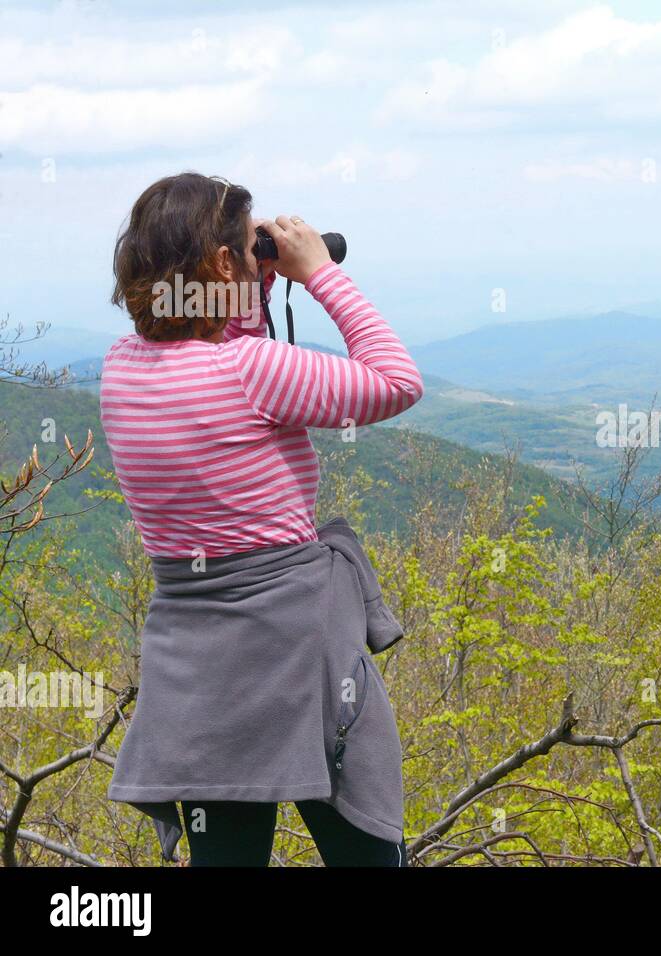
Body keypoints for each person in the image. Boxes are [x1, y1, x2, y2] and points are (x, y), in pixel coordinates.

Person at [101, 172, 424, 866]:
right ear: (223, 265)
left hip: (199, 668)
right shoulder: (254, 371)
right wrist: (322, 275)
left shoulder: (121, 369)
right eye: (252, 248)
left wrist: (251, 284)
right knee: (363, 852)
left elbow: (203, 348)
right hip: (299, 654)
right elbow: (398, 383)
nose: (263, 256)